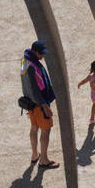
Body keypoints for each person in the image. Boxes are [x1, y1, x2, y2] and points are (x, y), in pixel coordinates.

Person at [20, 40, 58, 170]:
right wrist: (45, 106)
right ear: (35, 51)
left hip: (30, 102)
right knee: (46, 130)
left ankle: (35, 154)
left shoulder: (25, 61)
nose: (43, 56)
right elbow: (35, 88)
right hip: (39, 103)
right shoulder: (32, 66)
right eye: (41, 53)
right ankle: (44, 160)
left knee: (34, 127)